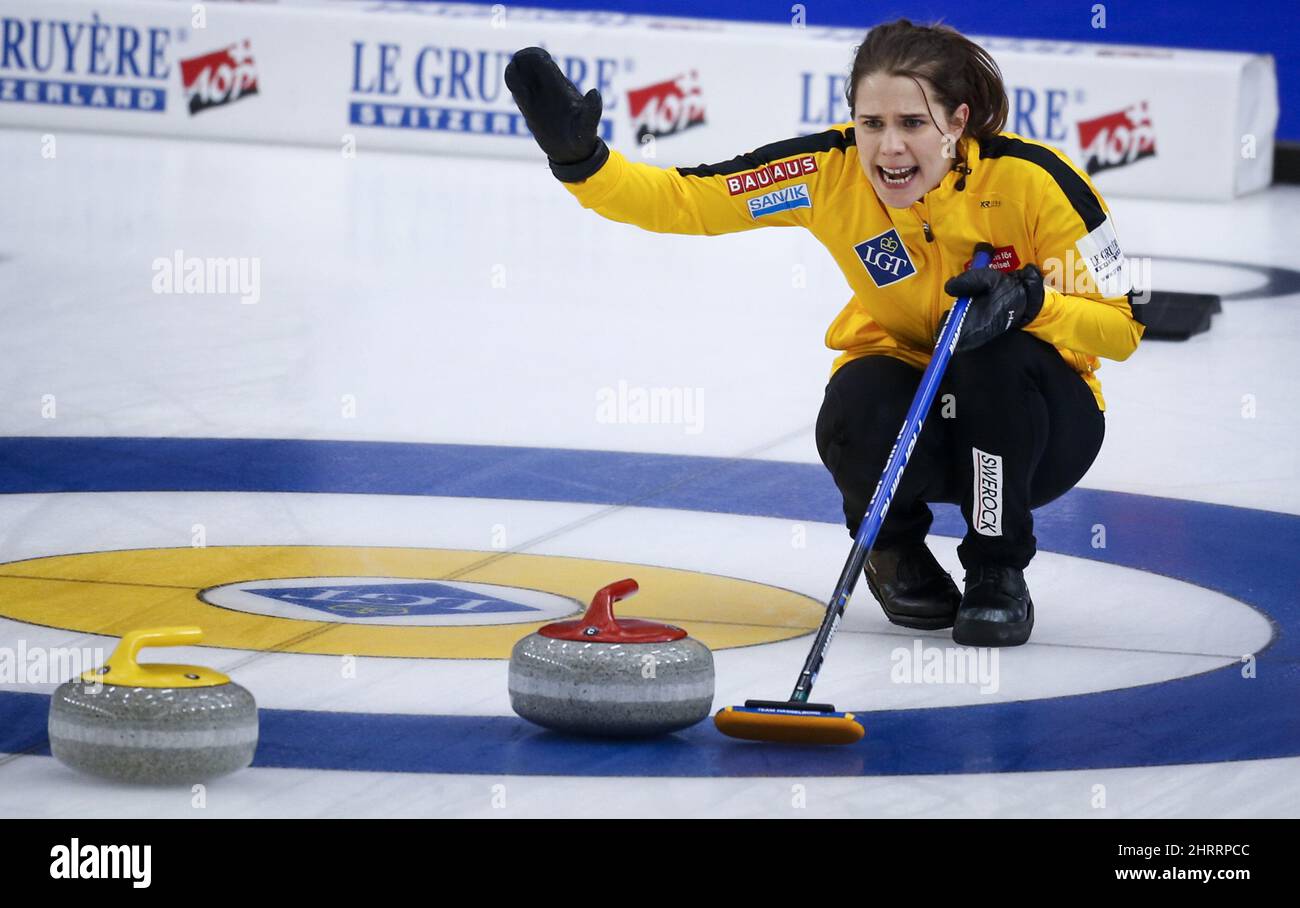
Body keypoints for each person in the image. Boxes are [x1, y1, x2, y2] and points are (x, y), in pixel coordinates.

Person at [504, 19, 1143, 647]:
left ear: (958, 122)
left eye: (913, 124)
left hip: (1038, 432)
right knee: (859, 395)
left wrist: (1032, 304)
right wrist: (583, 162)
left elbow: (1124, 326)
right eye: (873, 124)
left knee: (990, 356)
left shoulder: (1036, 181)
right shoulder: (826, 171)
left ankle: (996, 572)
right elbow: (690, 199)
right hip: (914, 420)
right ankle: (893, 550)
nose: (889, 147)